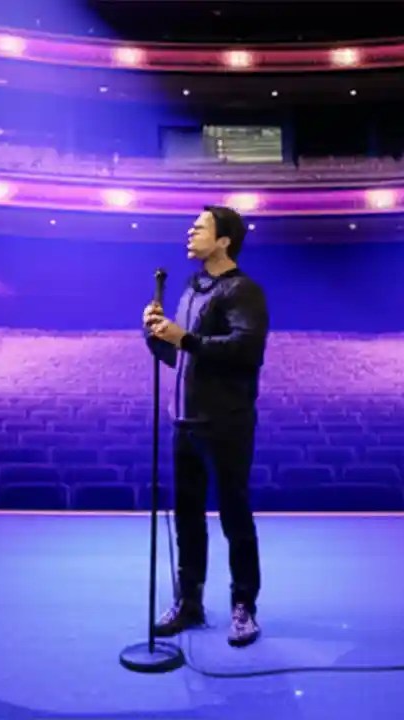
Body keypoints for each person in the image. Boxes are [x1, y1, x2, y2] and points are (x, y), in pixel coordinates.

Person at [141, 205, 269, 648]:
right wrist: (157, 337)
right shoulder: (191, 288)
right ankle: (190, 601)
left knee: (235, 517)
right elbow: (182, 357)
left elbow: (244, 351)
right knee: (187, 519)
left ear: (224, 240)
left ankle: (243, 607)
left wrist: (185, 338)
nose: (190, 232)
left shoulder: (243, 290)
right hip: (184, 422)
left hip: (227, 424)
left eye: (199, 228)